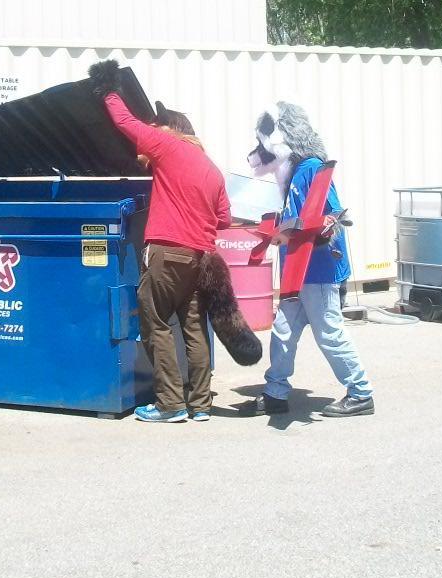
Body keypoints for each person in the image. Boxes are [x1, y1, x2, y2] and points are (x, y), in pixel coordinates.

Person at [89, 60, 231, 423]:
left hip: (167, 253)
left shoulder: (168, 147)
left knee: (154, 321)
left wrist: (107, 89)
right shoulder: (212, 169)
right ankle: (201, 404)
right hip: (201, 258)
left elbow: (126, 123)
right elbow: (225, 219)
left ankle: (170, 404)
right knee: (194, 328)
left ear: (172, 130)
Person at [242, 102, 374, 417]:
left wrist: (322, 229)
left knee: (329, 332)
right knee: (283, 331)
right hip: (295, 272)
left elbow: (333, 211)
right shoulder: (290, 175)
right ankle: (275, 392)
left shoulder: (313, 167)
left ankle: (361, 392)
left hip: (318, 271)